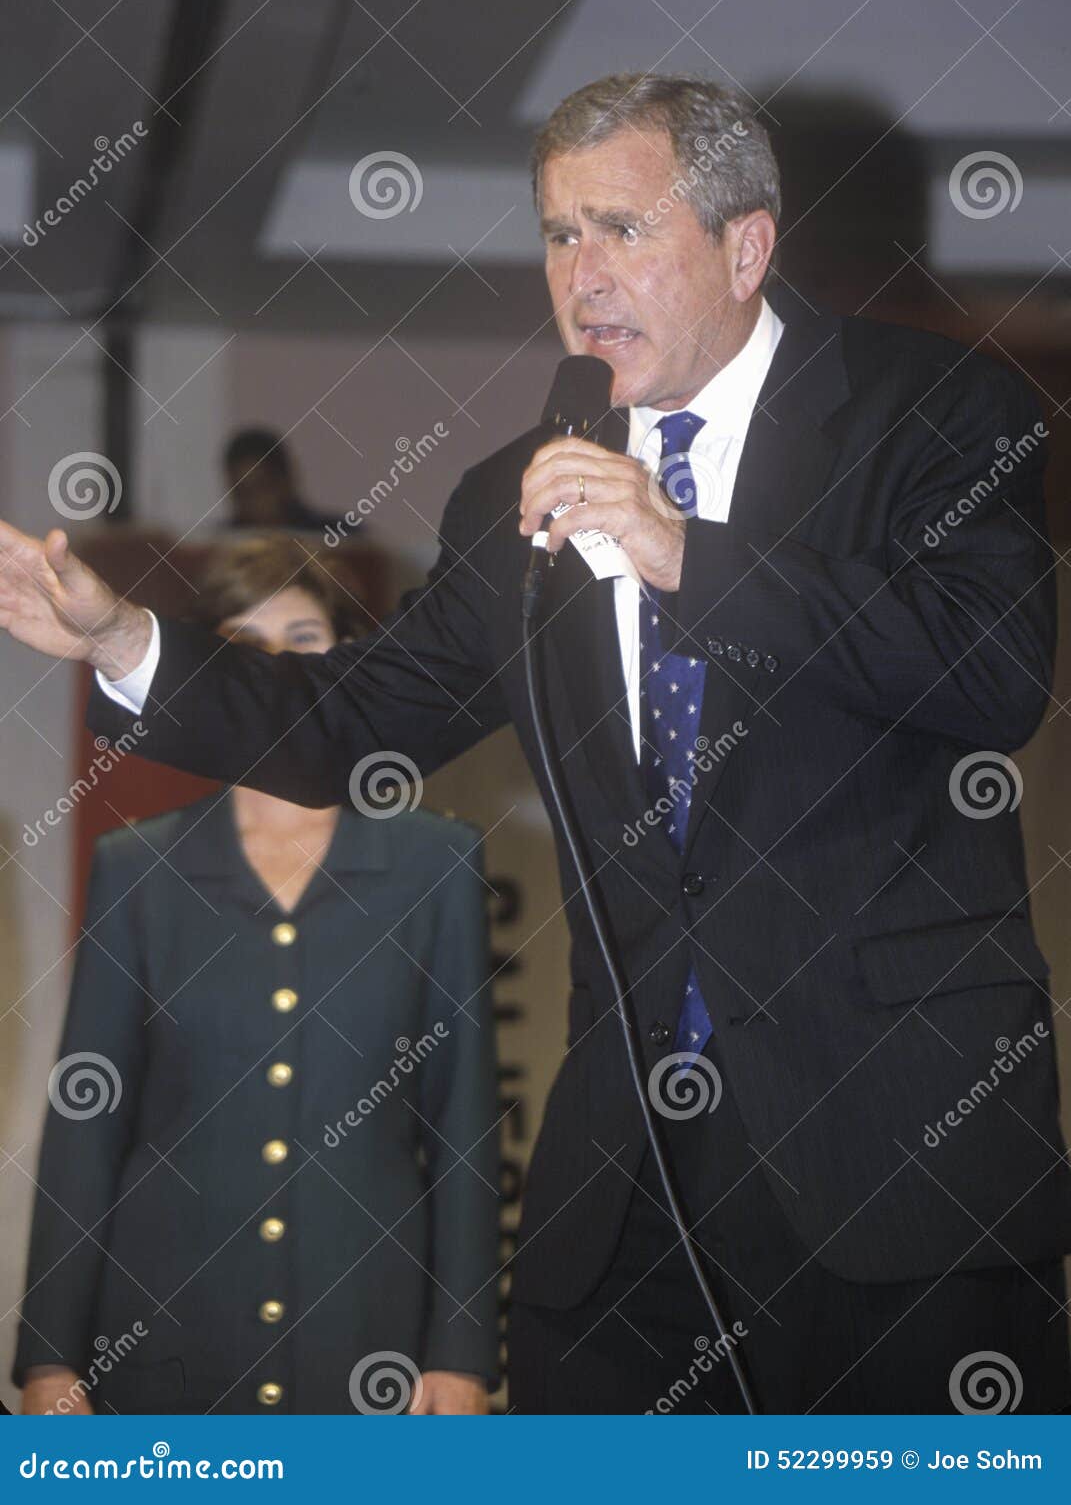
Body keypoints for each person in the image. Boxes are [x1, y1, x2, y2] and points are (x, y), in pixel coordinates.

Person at [2, 72, 1069, 1413]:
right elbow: (348, 722)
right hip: (623, 1194)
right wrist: (123, 644)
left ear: (745, 246)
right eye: (560, 233)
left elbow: (988, 674)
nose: (582, 274)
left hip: (896, 1165)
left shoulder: (937, 411)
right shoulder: (514, 496)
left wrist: (683, 552)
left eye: (622, 227)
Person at [13, 538, 498, 1415]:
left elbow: (464, 1125)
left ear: (350, 660)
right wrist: (49, 1357)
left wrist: (462, 1354)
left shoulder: (436, 863)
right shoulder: (137, 869)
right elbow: (87, 1126)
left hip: (370, 1341)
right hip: (163, 1338)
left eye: (303, 639)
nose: (274, 665)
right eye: (245, 643)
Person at [222, 427, 340, 535]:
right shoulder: (221, 542)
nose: (252, 502)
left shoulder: (337, 535)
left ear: (285, 481)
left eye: (261, 487)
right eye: (241, 492)